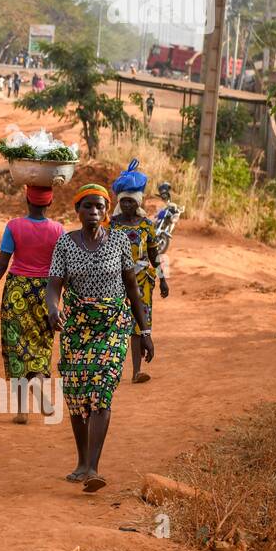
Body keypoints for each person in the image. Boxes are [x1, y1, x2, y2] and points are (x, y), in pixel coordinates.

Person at [45, 183, 152, 492]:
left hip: (113, 324)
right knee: (77, 394)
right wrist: (53, 308)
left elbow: (132, 288)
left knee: (102, 389)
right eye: (87, 206)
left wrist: (144, 332)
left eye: (100, 207)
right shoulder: (65, 244)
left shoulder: (119, 241)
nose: (93, 212)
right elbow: (54, 284)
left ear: (108, 212)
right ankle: (81, 462)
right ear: (78, 211)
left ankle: (93, 467)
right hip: (77, 326)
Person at [0, 184, 64, 423]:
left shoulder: (14, 227)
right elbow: (63, 269)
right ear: (50, 203)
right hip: (45, 293)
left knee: (16, 347)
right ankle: (39, 385)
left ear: (26, 200)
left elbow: (1, 264)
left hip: (17, 292)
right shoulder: (59, 230)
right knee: (41, 344)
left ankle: (22, 411)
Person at [109, 159, 168, 383]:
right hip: (116, 280)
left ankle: (136, 371)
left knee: (137, 324)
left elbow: (154, 256)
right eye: (123, 202)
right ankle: (110, 370)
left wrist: (162, 280)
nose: (126, 206)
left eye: (130, 202)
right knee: (115, 323)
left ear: (138, 203)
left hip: (142, 280)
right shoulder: (111, 225)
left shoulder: (146, 226)